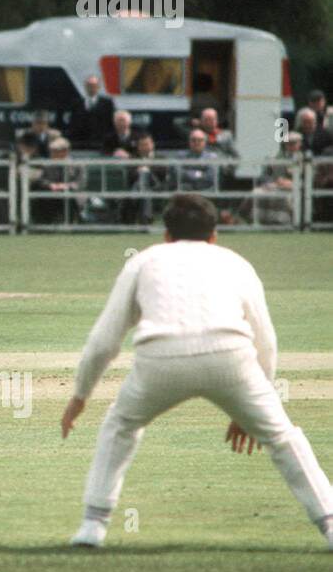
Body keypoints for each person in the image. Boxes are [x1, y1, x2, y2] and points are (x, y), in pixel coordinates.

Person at [62, 193, 333, 550]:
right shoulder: (236, 263)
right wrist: (253, 402)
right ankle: (330, 525)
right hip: (230, 357)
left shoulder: (144, 261)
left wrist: (80, 396)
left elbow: (104, 341)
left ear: (166, 235)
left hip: (160, 359)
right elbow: (265, 339)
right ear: (214, 234)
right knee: (282, 436)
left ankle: (93, 526)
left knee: (120, 425)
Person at [65, 75, 114, 151]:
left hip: (100, 143)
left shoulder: (107, 103)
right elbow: (73, 123)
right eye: (89, 85)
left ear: (98, 87)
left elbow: (109, 124)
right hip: (80, 144)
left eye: (94, 85)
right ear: (85, 87)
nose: (92, 88)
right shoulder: (77, 103)